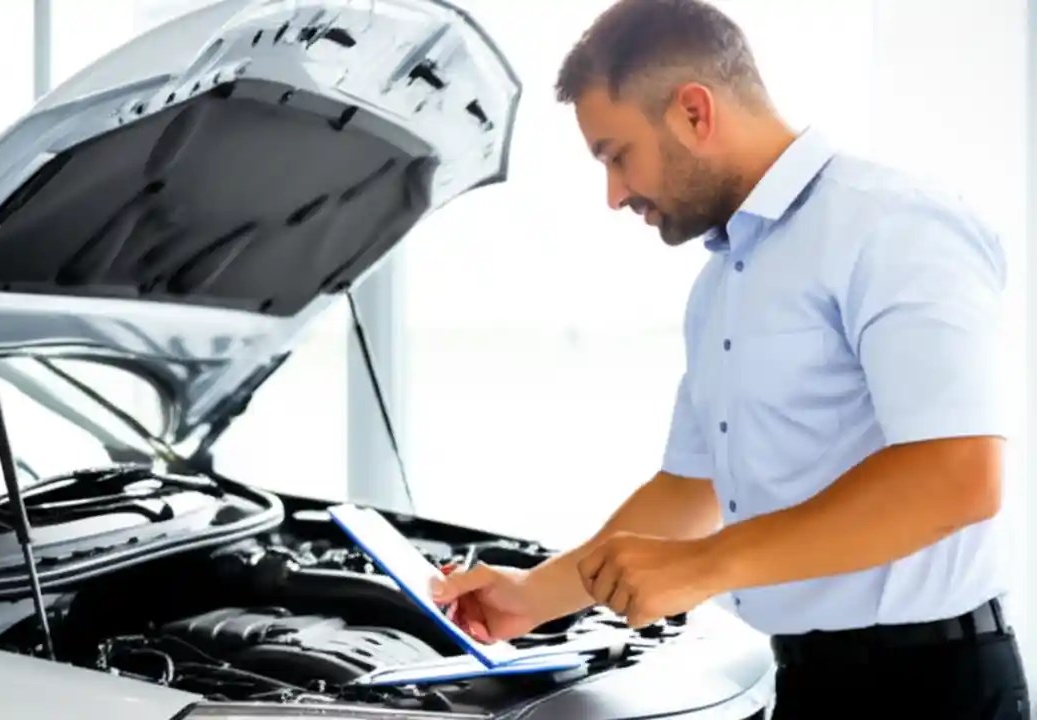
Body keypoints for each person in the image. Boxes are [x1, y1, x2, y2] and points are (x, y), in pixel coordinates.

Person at [430, 0, 1028, 717]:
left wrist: (706, 568)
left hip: (933, 689)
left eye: (616, 155)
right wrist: (534, 595)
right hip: (805, 683)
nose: (615, 195)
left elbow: (956, 475)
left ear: (693, 112)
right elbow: (690, 490)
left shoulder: (892, 224)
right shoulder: (722, 284)